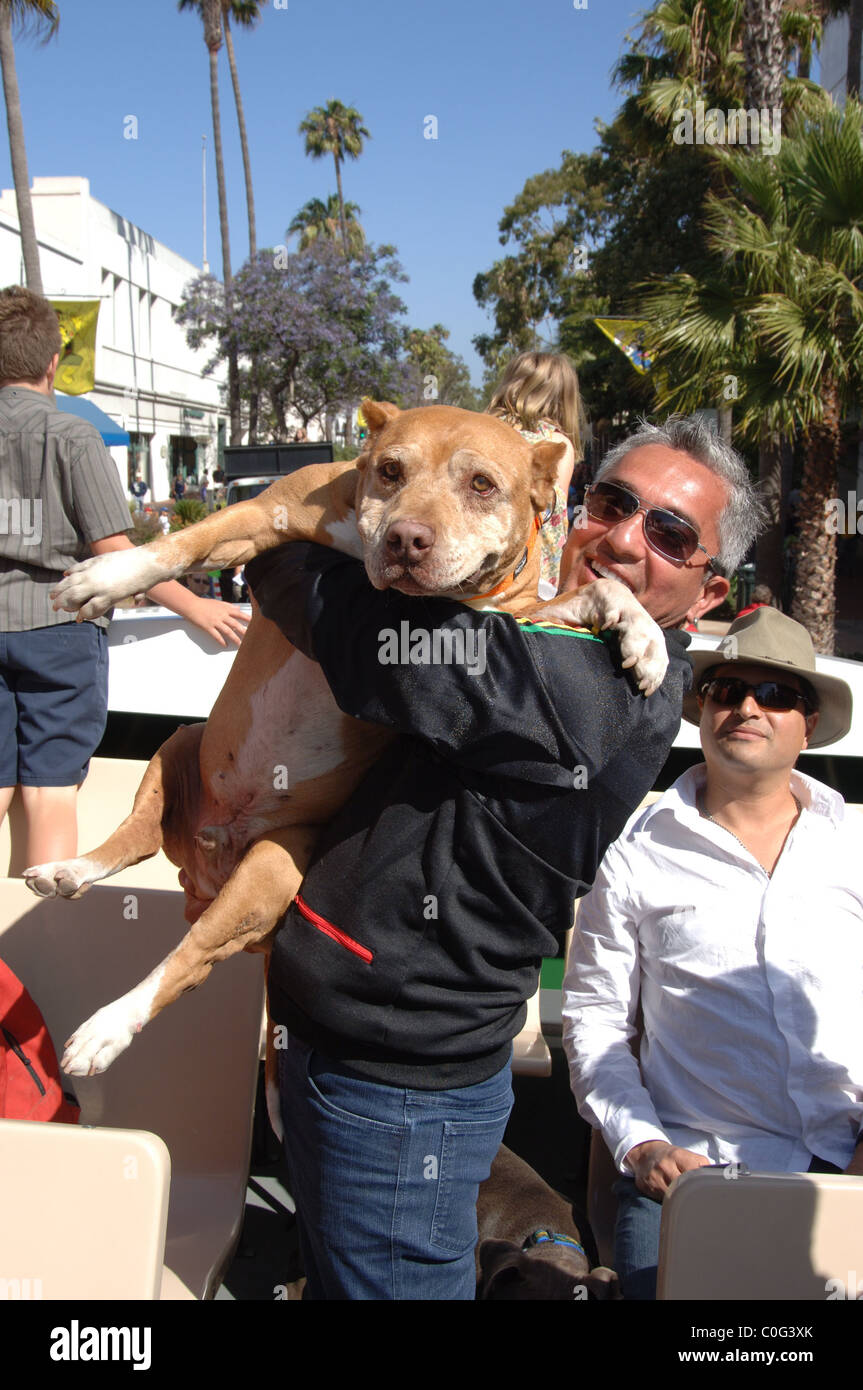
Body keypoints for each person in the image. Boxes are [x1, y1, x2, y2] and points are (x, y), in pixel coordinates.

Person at [242, 413, 764, 1300]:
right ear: (570, 506)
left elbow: (355, 635)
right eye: (612, 502)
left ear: (706, 593)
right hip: (358, 1053)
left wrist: (273, 535)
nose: (625, 538)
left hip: (395, 1083)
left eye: (670, 534)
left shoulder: (589, 683)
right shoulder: (547, 630)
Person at [562, 606, 862, 1300]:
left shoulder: (851, 848)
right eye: (727, 690)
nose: (747, 707)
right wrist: (642, 1146)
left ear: (807, 723)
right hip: (688, 1185)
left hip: (843, 1176)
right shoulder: (634, 852)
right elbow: (594, 1021)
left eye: (776, 695)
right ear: (702, 711)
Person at [0, 286, 249, 866]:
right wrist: (197, 606)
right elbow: (116, 553)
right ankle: (40, 947)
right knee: (48, 792)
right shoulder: (71, 438)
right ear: (52, 363)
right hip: (57, 630)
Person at [486, 351, 584, 595]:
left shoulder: (487, 431)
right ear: (565, 397)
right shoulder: (556, 443)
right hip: (533, 568)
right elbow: (553, 512)